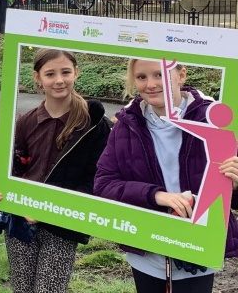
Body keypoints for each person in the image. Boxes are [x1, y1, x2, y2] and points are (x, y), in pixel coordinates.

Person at [94, 59, 238, 293]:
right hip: (146, 250)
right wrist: (157, 195)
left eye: (159, 75)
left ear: (181, 75)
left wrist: (235, 183)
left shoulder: (215, 122)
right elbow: (104, 184)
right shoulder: (126, 124)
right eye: (141, 77)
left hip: (198, 248)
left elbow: (230, 195)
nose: (150, 84)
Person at [0, 49, 112, 293]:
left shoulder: (94, 124)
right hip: (20, 220)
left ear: (76, 73)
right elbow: (13, 168)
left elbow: (97, 179)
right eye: (50, 74)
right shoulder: (25, 122)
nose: (59, 80)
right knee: (22, 288)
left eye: (65, 72)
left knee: (49, 290)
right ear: (37, 77)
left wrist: (51, 209)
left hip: (62, 224)